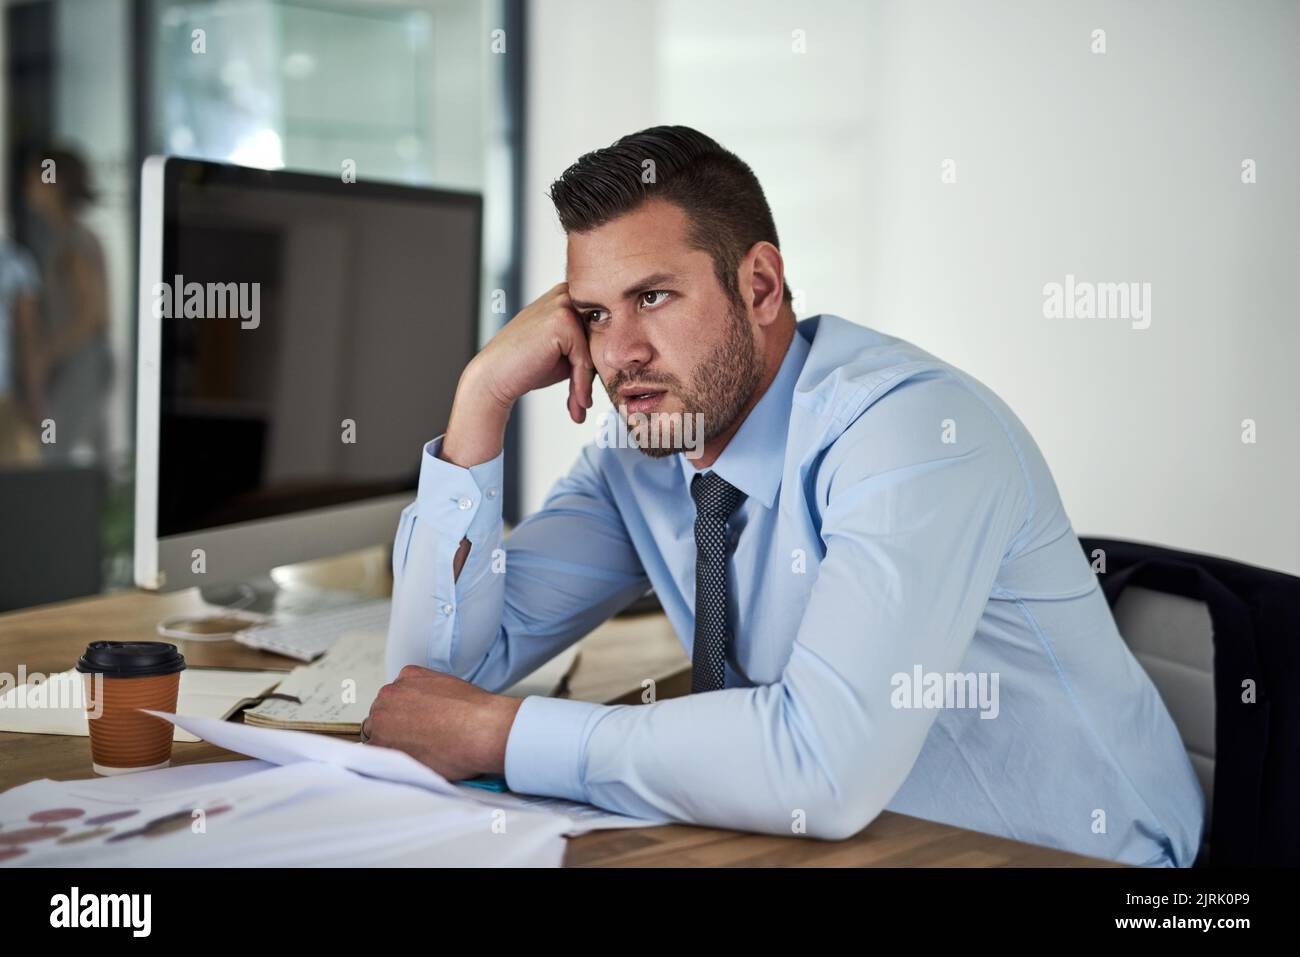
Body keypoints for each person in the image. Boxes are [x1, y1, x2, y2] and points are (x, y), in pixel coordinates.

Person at [369, 126, 1205, 866]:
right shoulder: (644, 458)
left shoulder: (912, 433)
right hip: (839, 843)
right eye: (591, 313)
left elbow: (823, 765)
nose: (618, 352)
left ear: (761, 286)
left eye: (652, 297)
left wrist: (499, 733)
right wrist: (481, 396)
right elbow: (430, 684)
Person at [22, 147, 112, 465]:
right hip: (78, 361)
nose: (28, 187)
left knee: (53, 451)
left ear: (54, 183)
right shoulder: (64, 240)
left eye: (36, 179)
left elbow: (93, 314)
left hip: (81, 361)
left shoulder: (75, 241)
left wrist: (48, 353)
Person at [0, 235, 42, 465]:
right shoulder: (15, 263)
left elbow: (28, 339)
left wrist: (35, 400)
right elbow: (29, 339)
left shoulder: (15, 264)